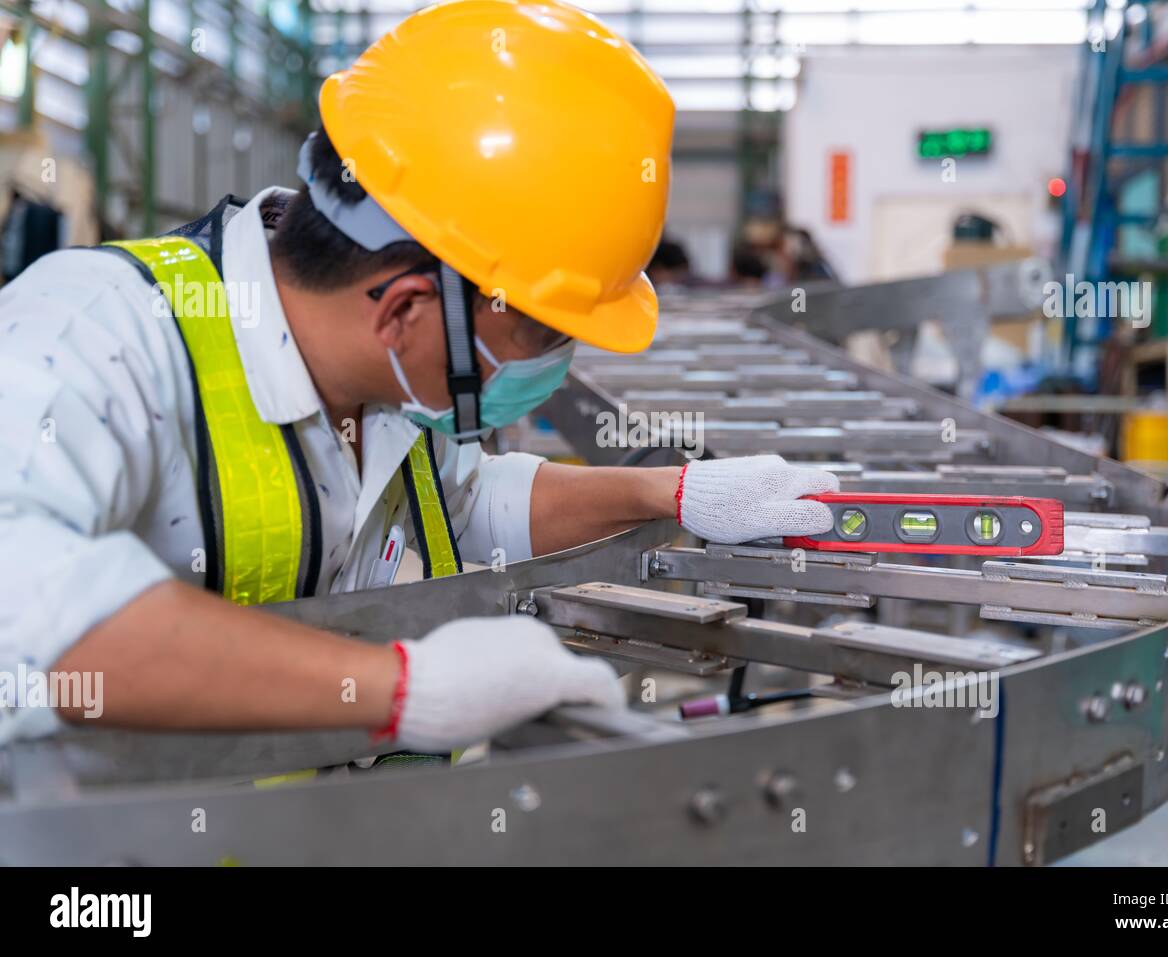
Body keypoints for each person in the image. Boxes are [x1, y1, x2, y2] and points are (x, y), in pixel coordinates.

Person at [0, 0, 839, 753]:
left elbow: (471, 502)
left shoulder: (389, 385)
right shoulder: (92, 334)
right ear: (406, 306)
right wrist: (403, 689)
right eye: (542, 328)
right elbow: (26, 619)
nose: (554, 361)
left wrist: (674, 495)